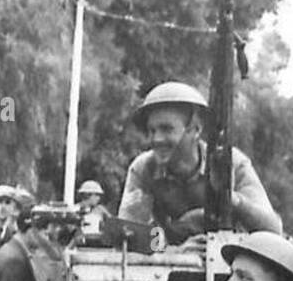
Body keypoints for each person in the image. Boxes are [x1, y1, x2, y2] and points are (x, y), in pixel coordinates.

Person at [118, 81, 283, 246]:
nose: (157, 139)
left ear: (195, 130)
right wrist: (175, 252)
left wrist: (233, 201)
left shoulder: (232, 163)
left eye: (167, 129)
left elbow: (273, 231)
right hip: (168, 265)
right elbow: (125, 236)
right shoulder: (144, 169)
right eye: (152, 130)